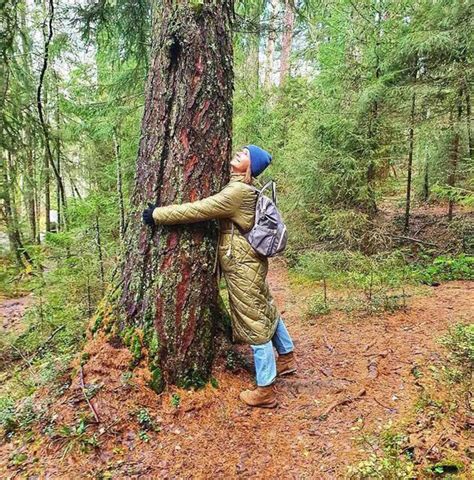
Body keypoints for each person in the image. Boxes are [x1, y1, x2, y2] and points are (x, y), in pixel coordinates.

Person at [142, 145, 296, 408]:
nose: (239, 152)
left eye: (245, 154)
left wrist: (157, 214)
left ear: (250, 166)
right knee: (264, 307)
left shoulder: (237, 192)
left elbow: (200, 209)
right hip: (250, 261)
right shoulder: (244, 190)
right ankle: (287, 356)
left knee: (253, 319)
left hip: (242, 263)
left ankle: (266, 389)